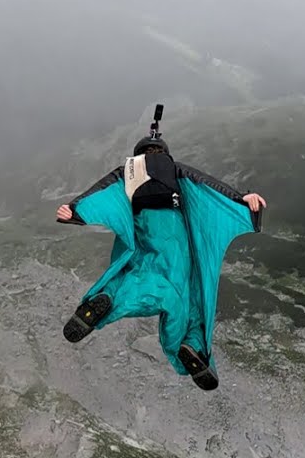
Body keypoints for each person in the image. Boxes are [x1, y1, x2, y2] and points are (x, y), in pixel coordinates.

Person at [55, 105, 267, 391]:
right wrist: (242, 200)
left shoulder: (128, 172)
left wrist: (75, 210)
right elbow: (208, 186)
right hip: (175, 235)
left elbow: (103, 191)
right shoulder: (175, 170)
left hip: (144, 231)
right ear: (163, 152)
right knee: (183, 296)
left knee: (141, 278)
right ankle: (190, 348)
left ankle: (105, 302)